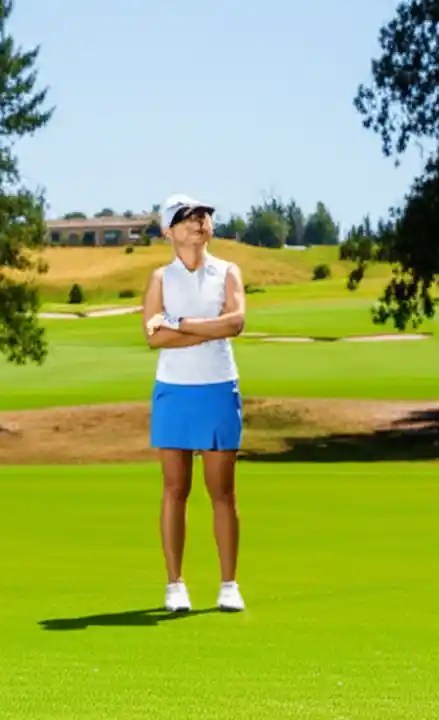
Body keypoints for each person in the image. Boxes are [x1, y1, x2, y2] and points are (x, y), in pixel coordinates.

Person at [141, 193, 247, 614]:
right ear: (169, 231)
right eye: (187, 217)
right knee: (175, 489)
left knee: (222, 491)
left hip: (219, 387)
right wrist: (209, 328)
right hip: (174, 390)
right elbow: (153, 335)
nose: (198, 222)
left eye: (203, 215)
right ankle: (175, 585)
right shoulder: (160, 279)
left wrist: (182, 325)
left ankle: (229, 584)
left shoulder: (227, 272)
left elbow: (236, 322)